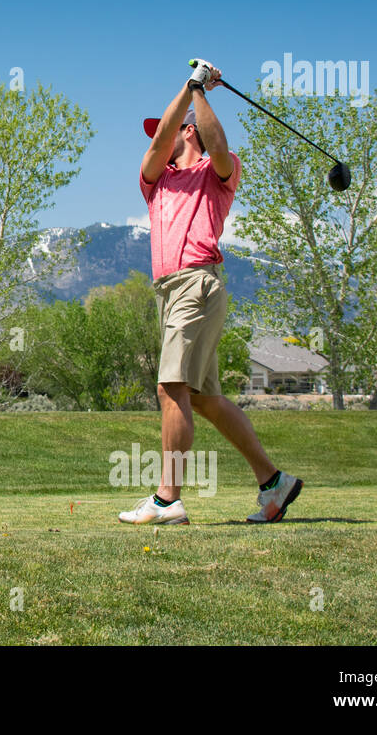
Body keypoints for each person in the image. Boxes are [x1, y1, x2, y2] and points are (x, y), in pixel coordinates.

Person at [118, 58, 303, 525]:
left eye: (174, 129)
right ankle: (273, 481)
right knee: (202, 397)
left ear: (191, 131)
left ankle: (167, 499)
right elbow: (159, 138)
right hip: (171, 291)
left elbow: (218, 144)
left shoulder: (217, 172)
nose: (160, 137)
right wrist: (190, 84)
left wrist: (201, 95)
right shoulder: (155, 182)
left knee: (171, 387)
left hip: (196, 283)